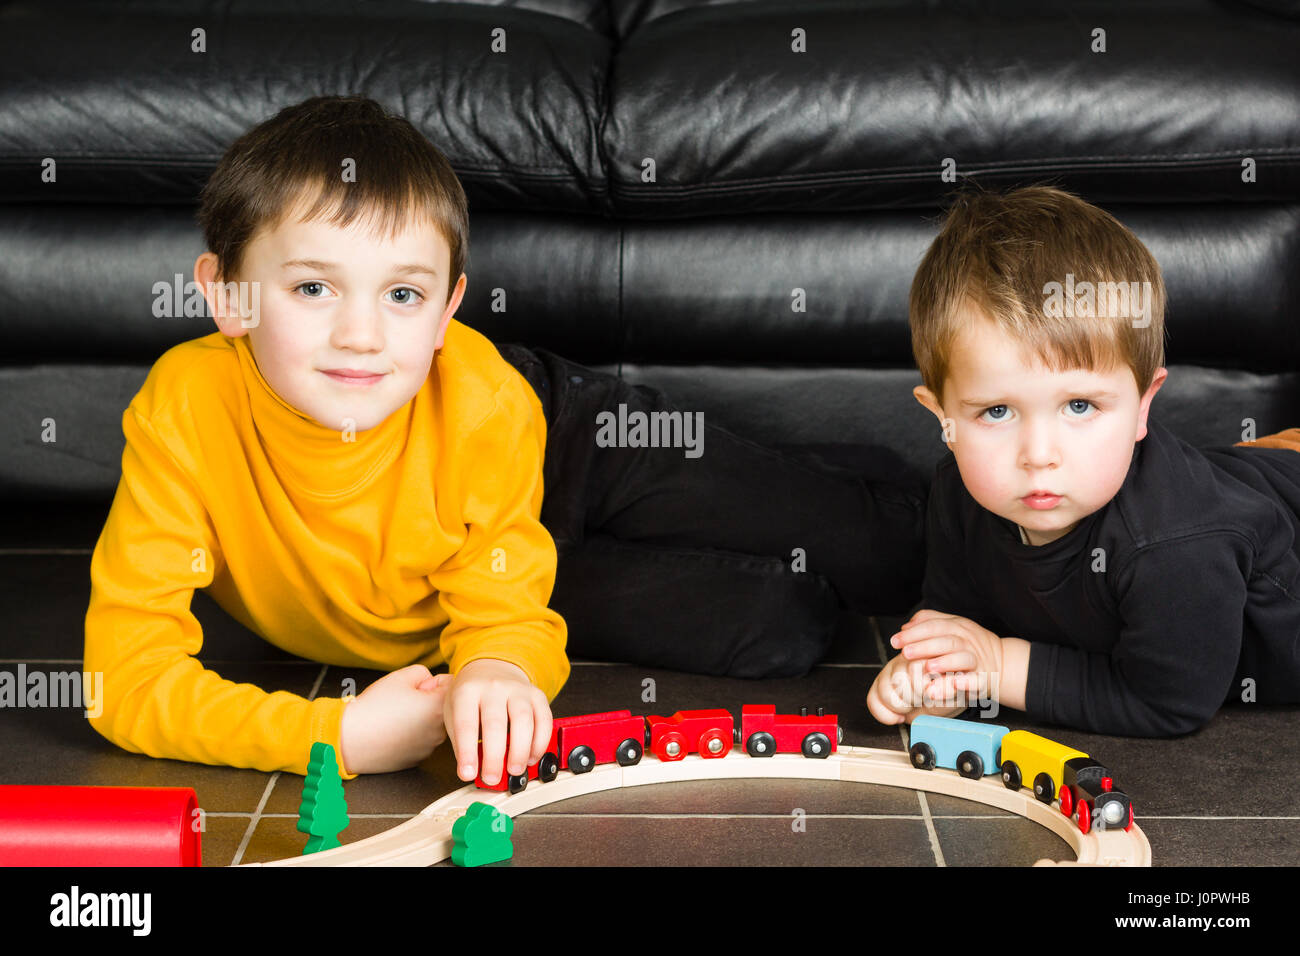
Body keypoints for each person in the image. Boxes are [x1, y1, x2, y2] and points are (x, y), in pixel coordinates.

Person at [85, 95, 928, 787]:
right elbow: (122, 681)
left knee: (879, 549)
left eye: (402, 296)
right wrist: (333, 736)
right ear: (228, 296)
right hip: (484, 567)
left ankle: (850, 487)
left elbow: (501, 615)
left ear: (447, 311)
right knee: (783, 628)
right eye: (313, 286)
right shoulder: (183, 411)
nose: (362, 337)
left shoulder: (477, 400)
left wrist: (496, 660)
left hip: (562, 445)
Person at [867, 184, 1300, 737]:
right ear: (942, 418)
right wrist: (942, 675)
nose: (1039, 456)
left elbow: (1168, 702)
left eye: (1079, 405)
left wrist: (997, 666)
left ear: (1144, 406)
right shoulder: (960, 491)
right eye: (996, 411)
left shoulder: (1176, 544)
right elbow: (960, 620)